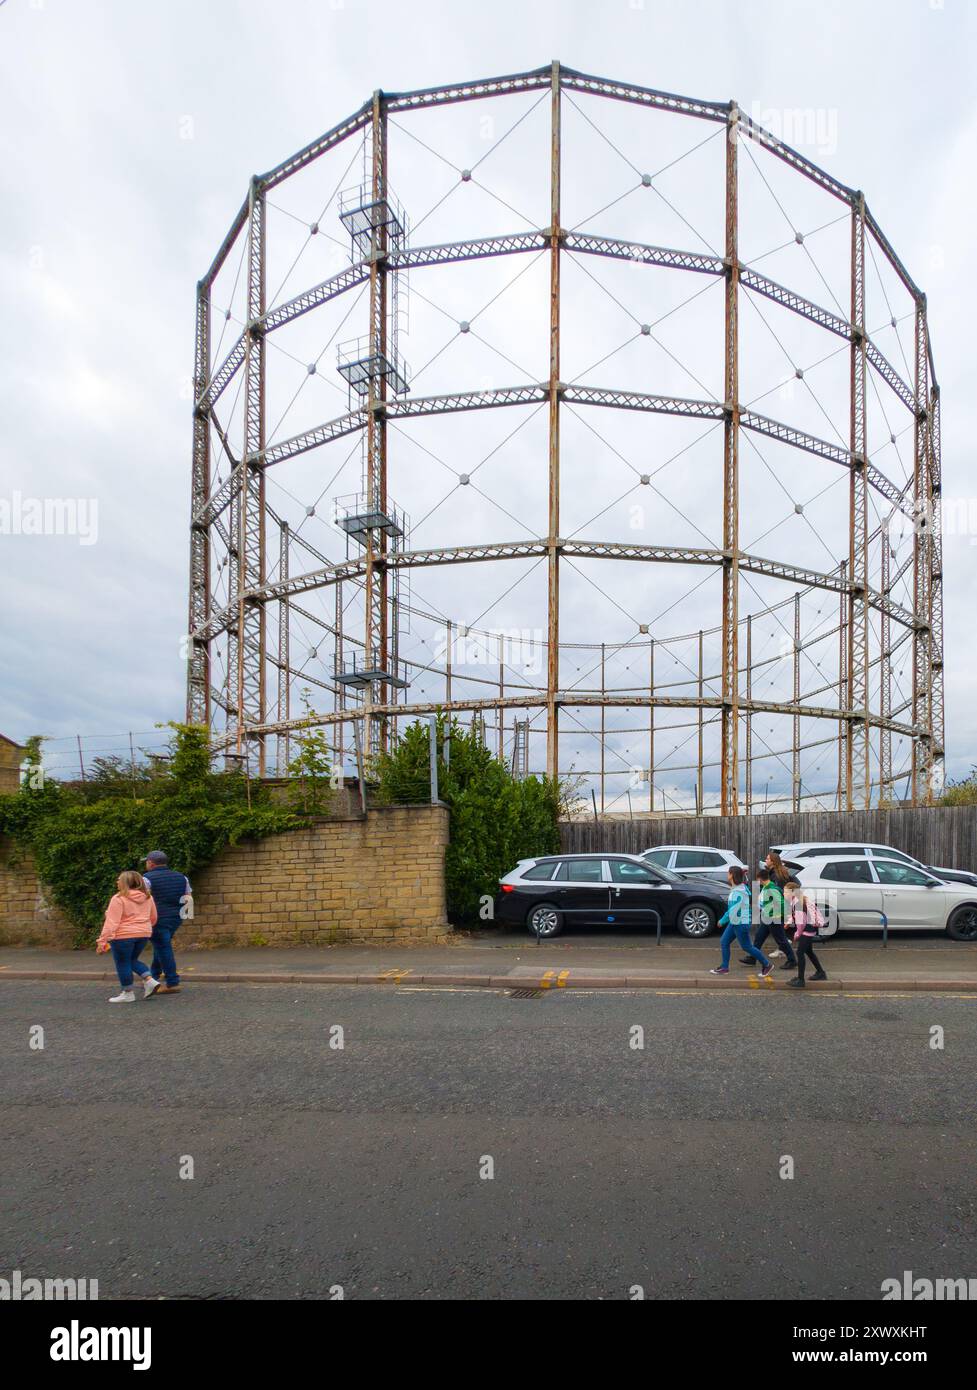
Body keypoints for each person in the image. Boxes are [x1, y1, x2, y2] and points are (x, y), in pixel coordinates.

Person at [95, 871, 160, 1003]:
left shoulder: (118, 898)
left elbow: (112, 922)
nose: (117, 882)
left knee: (123, 962)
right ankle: (149, 980)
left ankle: (128, 993)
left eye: (119, 879)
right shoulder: (148, 897)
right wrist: (143, 927)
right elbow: (153, 917)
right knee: (132, 960)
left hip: (123, 935)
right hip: (143, 933)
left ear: (126, 882)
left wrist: (102, 941)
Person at [142, 850, 192, 995]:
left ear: (151, 863)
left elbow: (143, 899)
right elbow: (188, 897)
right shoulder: (182, 877)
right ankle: (153, 977)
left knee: (163, 947)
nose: (146, 864)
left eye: (146, 861)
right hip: (176, 918)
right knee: (161, 945)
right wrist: (183, 915)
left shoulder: (146, 879)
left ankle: (172, 982)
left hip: (157, 919)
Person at [710, 866, 774, 977]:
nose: (727, 875)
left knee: (747, 947)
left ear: (731, 875)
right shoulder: (740, 887)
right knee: (724, 941)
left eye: (728, 873)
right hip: (736, 921)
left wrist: (722, 921)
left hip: (740, 922)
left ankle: (767, 964)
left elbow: (732, 911)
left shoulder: (738, 892)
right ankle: (724, 967)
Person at [740, 866, 797, 970]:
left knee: (781, 940)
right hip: (767, 917)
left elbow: (781, 903)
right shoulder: (767, 887)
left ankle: (792, 960)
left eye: (758, 880)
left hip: (774, 918)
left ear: (760, 879)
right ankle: (753, 957)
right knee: (759, 937)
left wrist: (787, 918)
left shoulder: (771, 889)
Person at [783, 878, 828, 988]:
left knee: (799, 953)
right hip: (810, 928)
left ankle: (800, 980)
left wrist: (797, 934)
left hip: (807, 930)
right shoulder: (801, 899)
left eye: (785, 892)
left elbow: (800, 923)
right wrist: (789, 922)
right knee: (809, 952)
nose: (783, 894)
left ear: (792, 892)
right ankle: (821, 973)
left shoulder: (798, 903)